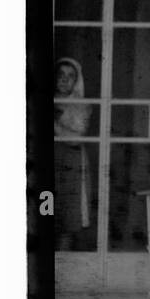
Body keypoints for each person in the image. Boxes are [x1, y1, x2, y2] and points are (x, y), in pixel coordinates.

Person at [53, 57, 92, 250]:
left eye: (70, 76)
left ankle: (62, 259)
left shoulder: (81, 104)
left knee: (69, 217)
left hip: (71, 161)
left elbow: (76, 136)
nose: (64, 80)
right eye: (60, 75)